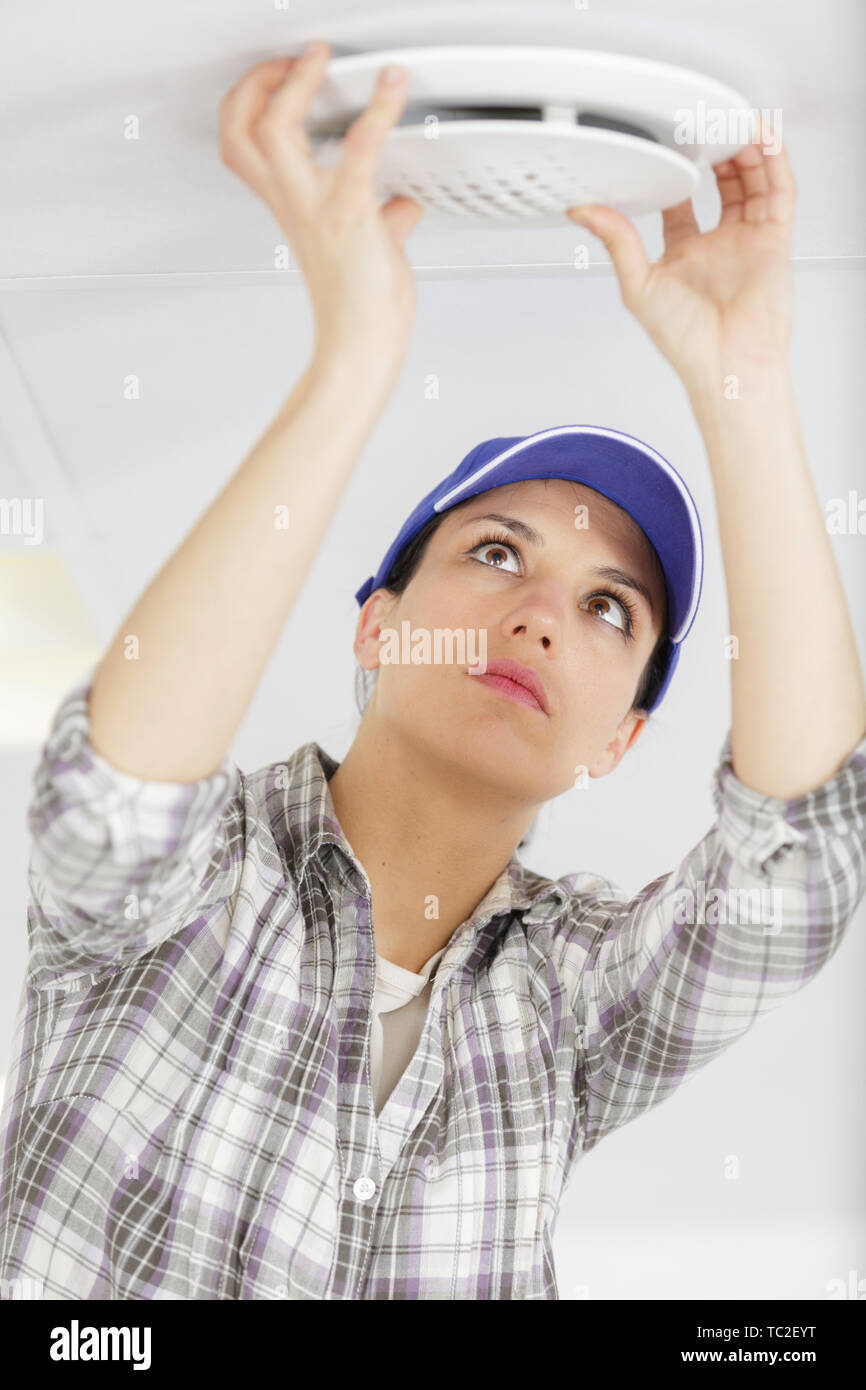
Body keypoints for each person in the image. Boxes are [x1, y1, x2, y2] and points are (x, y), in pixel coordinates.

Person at [1, 41, 864, 1301]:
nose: (539, 618)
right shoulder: (191, 890)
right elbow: (113, 797)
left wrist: (742, 385)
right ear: (375, 624)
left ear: (615, 740)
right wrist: (354, 352)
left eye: (607, 608)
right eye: (496, 550)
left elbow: (795, 872)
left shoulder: (571, 1006)